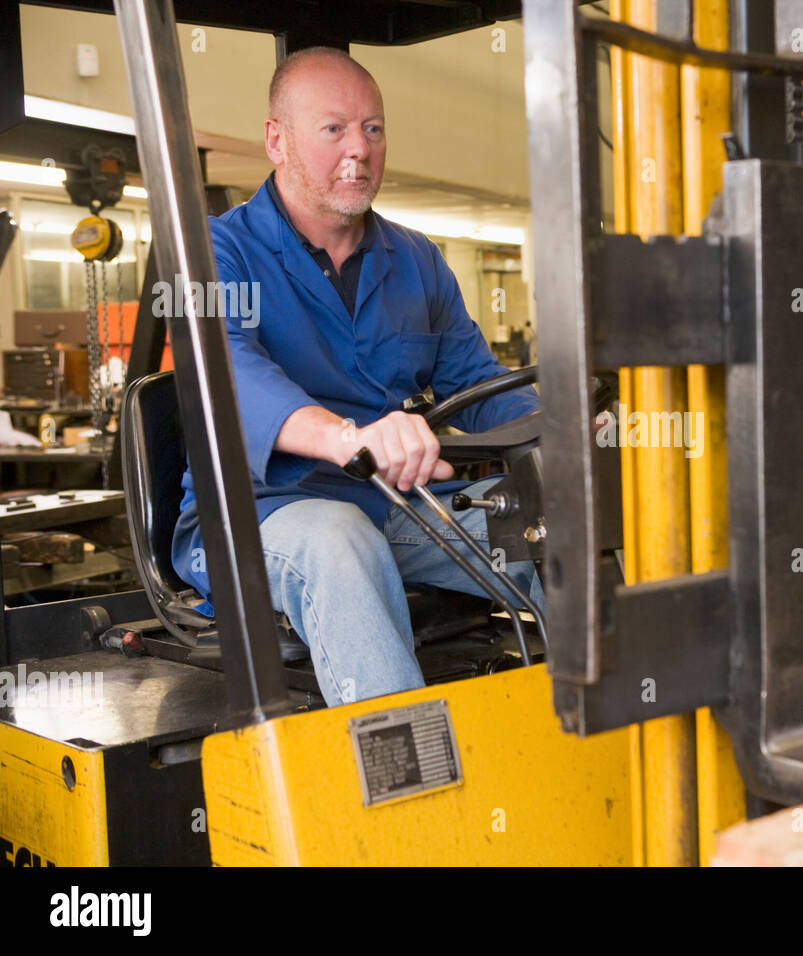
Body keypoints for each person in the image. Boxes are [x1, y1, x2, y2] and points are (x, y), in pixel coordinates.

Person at [171, 47, 543, 707]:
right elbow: (226, 372)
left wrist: (565, 426)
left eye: (373, 129)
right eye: (334, 129)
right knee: (339, 539)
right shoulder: (213, 251)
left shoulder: (416, 259)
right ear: (276, 140)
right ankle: (409, 795)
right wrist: (352, 439)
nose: (360, 149)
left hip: (398, 507)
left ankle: (624, 749)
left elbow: (479, 383)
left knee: (563, 524)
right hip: (259, 515)